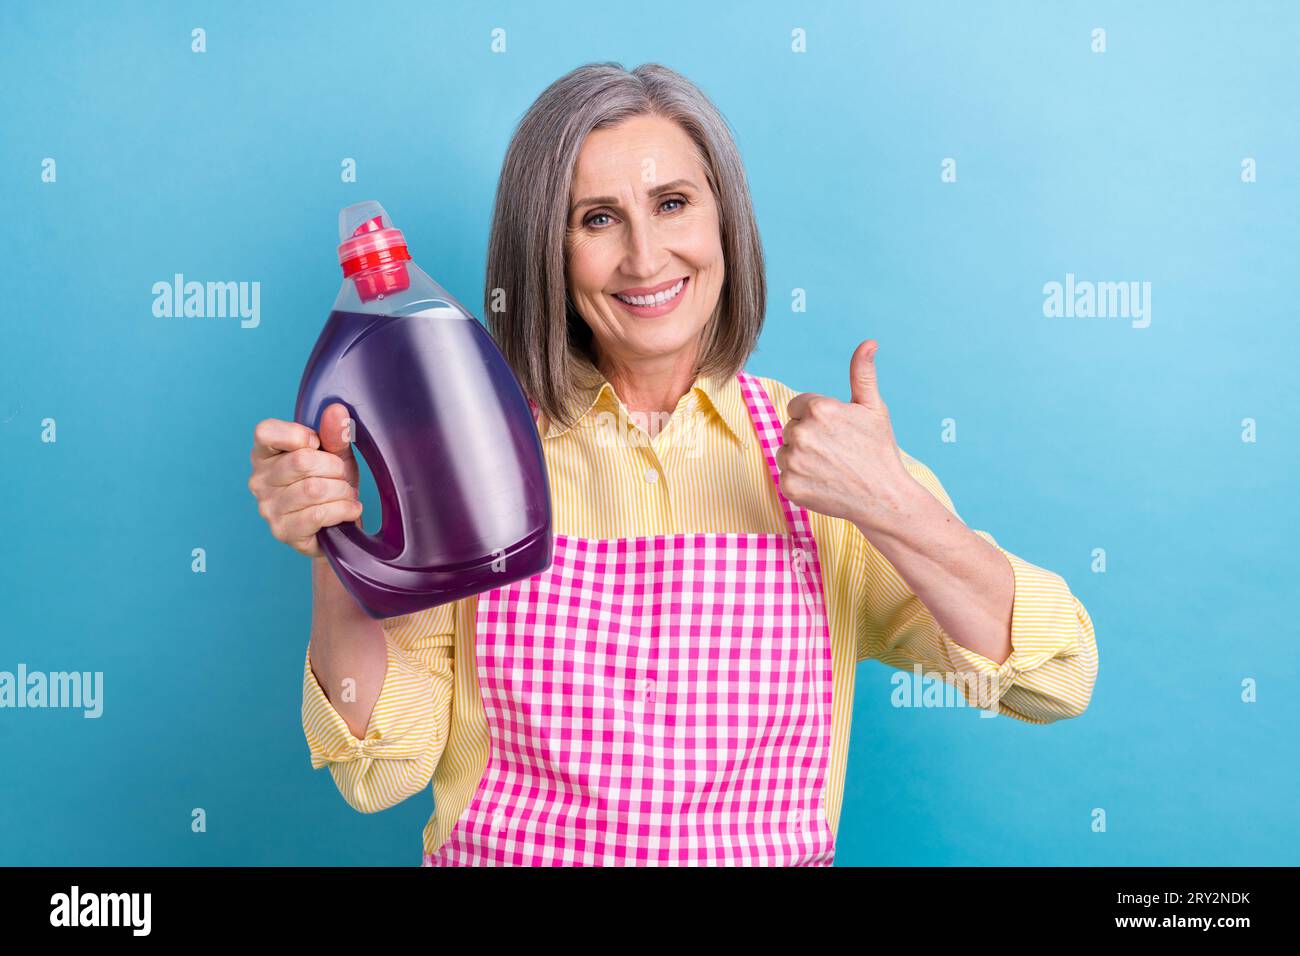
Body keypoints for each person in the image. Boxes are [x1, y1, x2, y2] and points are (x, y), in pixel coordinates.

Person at [247, 62, 1098, 866]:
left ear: (724, 223)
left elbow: (1055, 679)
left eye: (673, 202)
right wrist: (338, 551)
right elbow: (378, 771)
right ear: (547, 249)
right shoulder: (475, 462)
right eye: (598, 218)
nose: (646, 258)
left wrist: (896, 506)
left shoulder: (831, 465)